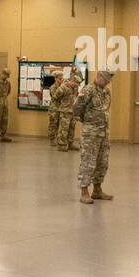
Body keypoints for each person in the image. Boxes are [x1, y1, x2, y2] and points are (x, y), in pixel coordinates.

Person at [74, 69, 114, 204]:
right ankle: (84, 191)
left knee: (102, 162)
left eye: (109, 80)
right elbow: (76, 108)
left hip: (103, 132)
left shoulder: (106, 91)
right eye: (106, 79)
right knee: (88, 162)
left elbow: (106, 108)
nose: (108, 82)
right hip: (91, 133)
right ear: (99, 76)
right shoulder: (88, 90)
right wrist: (87, 122)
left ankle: (97, 190)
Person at [56, 72, 79, 151]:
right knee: (63, 129)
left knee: (71, 129)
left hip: (72, 111)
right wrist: (63, 105)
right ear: (72, 81)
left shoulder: (75, 88)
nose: (77, 85)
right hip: (65, 111)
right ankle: (61, 145)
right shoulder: (63, 87)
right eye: (76, 83)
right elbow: (56, 97)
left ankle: (70, 144)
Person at [47, 72, 66, 144]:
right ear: (56, 79)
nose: (62, 80)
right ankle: (52, 139)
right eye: (60, 79)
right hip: (54, 109)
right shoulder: (53, 87)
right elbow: (55, 97)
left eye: (62, 78)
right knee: (53, 125)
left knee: (59, 125)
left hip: (60, 108)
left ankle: (58, 139)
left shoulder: (62, 87)